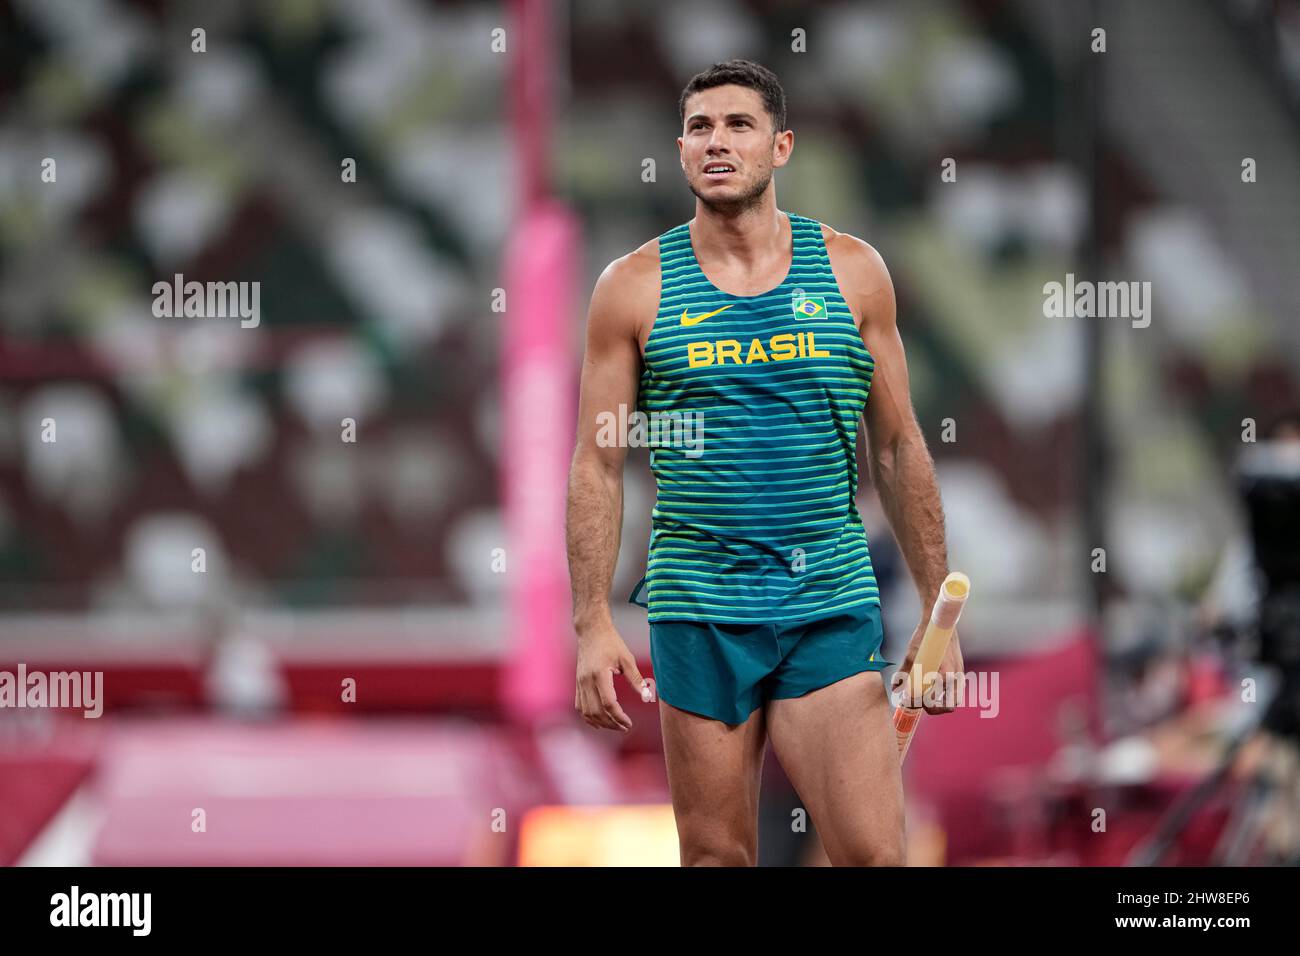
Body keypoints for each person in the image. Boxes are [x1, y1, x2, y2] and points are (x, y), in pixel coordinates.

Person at [566, 59, 961, 866]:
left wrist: (934, 615)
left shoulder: (854, 272)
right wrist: (591, 620)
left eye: (738, 126)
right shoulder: (632, 288)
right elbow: (597, 463)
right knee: (717, 859)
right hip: (700, 606)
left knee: (876, 856)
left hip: (826, 598)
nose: (718, 142)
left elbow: (897, 445)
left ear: (781, 147)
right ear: (680, 151)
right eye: (701, 128)